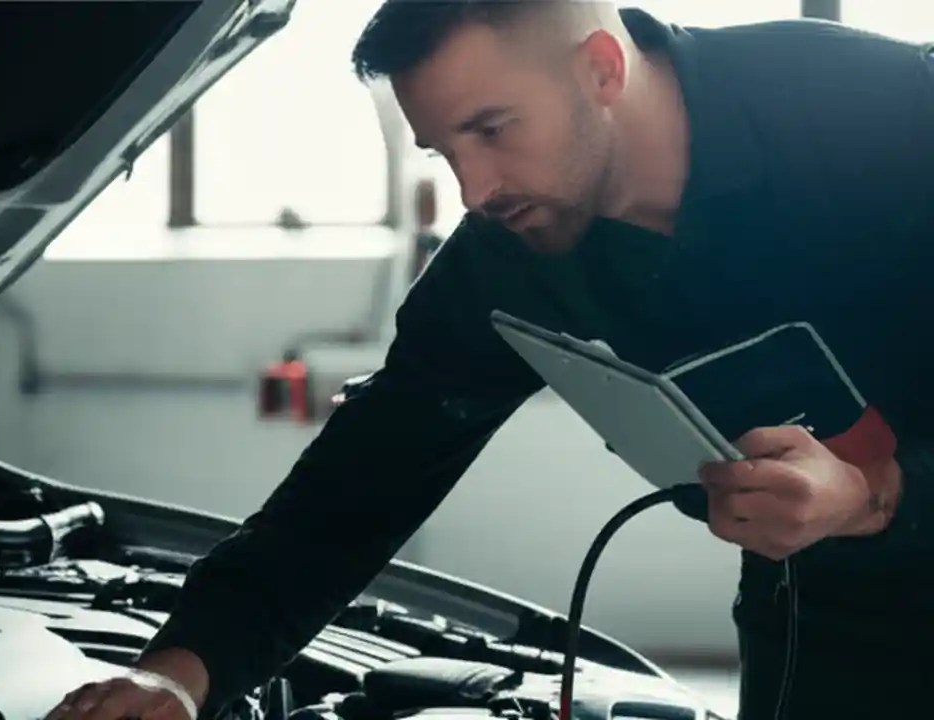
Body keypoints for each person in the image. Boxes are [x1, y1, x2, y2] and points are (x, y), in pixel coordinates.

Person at [47, 2, 934, 719]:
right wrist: (182, 670)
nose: (475, 190)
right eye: (445, 152)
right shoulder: (509, 250)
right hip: (818, 621)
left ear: (601, 70)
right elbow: (361, 479)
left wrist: (877, 497)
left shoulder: (878, 109)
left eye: (494, 129)